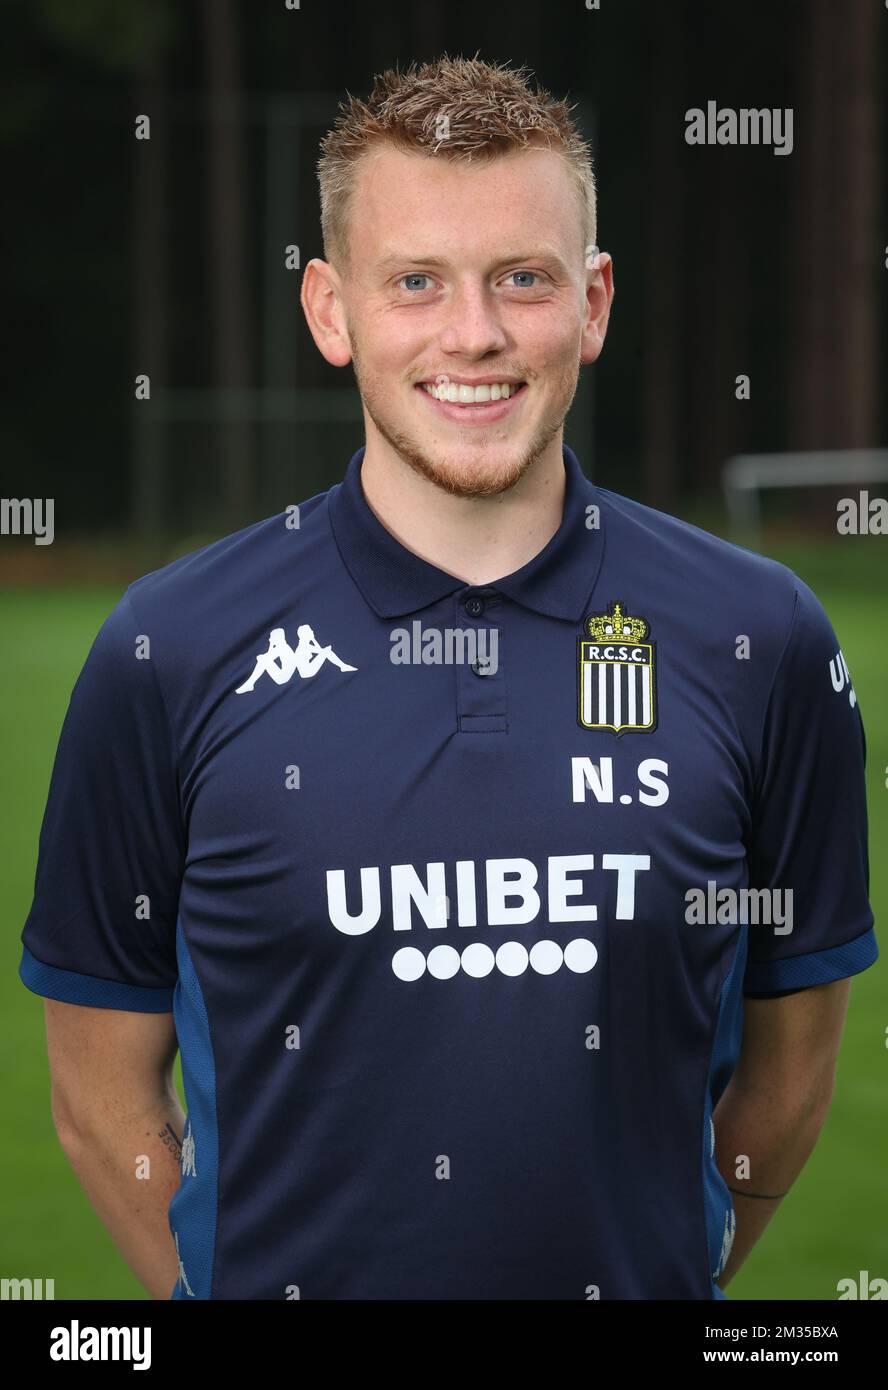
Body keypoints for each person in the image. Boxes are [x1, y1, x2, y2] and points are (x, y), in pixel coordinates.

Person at [19, 55, 877, 1301]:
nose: (472, 333)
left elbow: (793, 1072)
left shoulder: (764, 642)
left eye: (521, 279)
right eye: (415, 281)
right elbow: (99, 1096)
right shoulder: (168, 652)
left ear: (592, 304)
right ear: (331, 310)